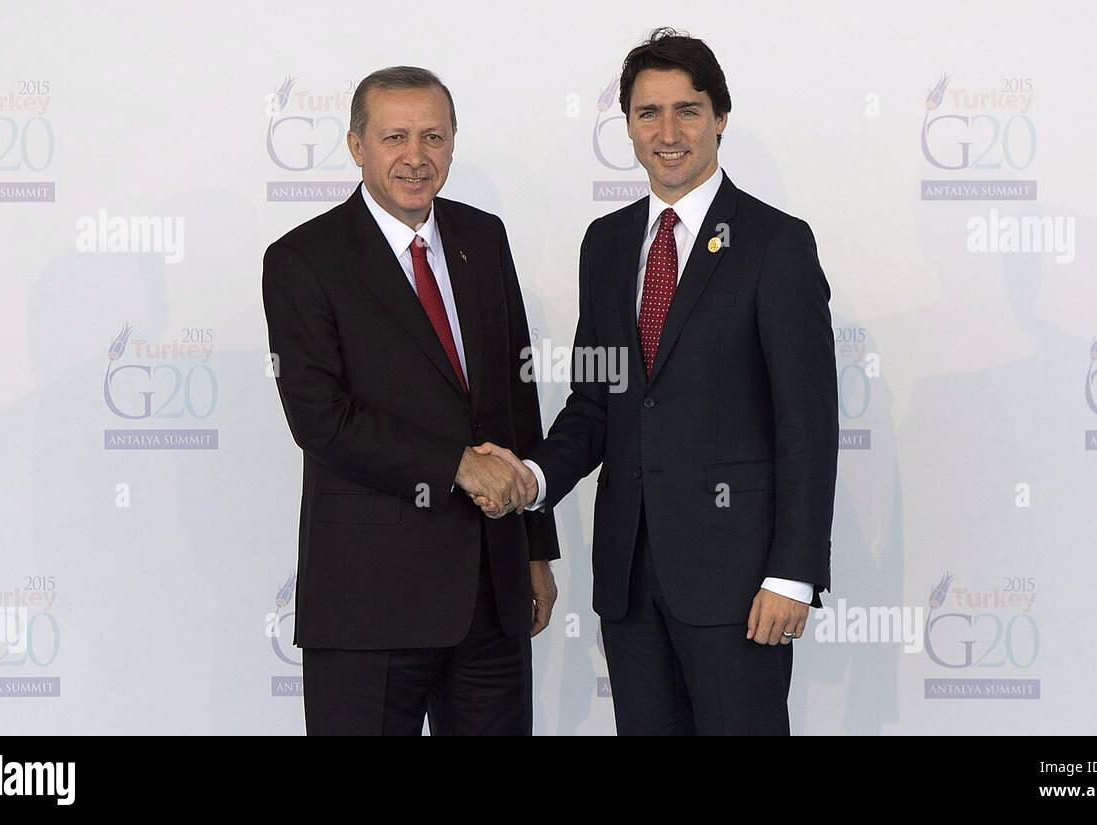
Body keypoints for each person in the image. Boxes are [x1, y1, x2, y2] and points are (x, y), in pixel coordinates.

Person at [475, 29, 838, 735]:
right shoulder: (605, 243)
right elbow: (594, 401)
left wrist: (792, 573)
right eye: (648, 113)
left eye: (688, 110)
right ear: (628, 126)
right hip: (630, 580)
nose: (668, 133)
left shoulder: (775, 243)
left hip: (740, 586)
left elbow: (808, 422)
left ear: (721, 117)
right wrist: (532, 479)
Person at [262, 66, 558, 735]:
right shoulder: (303, 259)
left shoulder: (484, 239)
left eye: (433, 136)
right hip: (368, 606)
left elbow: (517, 401)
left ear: (453, 144)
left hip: (492, 594)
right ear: (356, 145)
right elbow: (319, 417)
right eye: (394, 136)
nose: (415, 156)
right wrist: (457, 463)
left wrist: (534, 548)